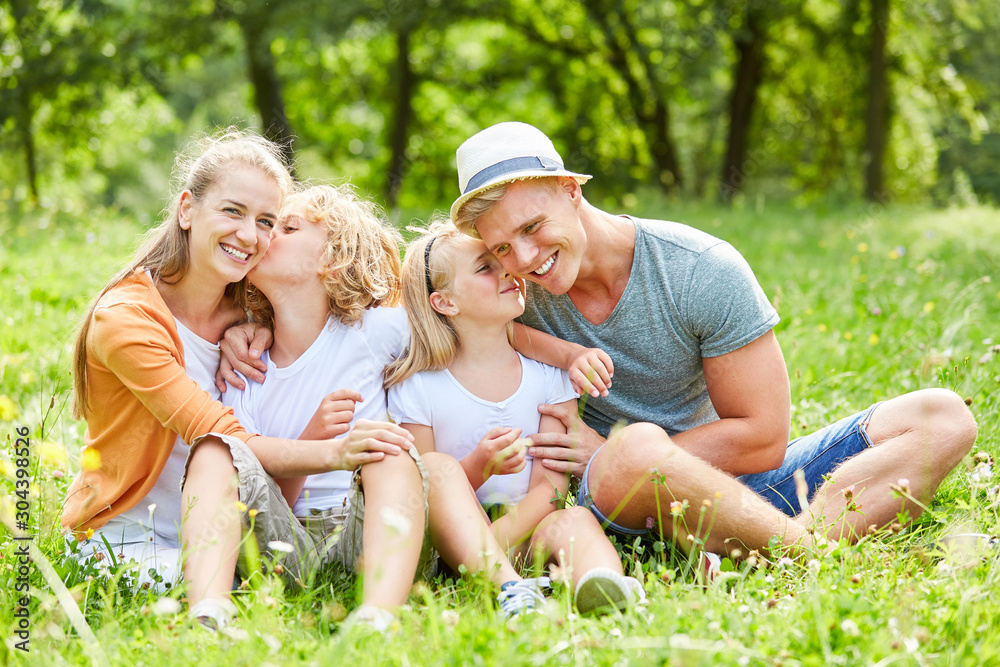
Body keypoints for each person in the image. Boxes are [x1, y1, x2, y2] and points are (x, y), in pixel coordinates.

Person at [449, 121, 978, 554]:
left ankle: (791, 543)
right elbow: (417, 308)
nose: (521, 261)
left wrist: (614, 452)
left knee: (942, 417)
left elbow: (765, 436)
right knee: (632, 453)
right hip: (613, 493)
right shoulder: (509, 299)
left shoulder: (699, 269)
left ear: (570, 190)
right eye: (499, 249)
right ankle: (804, 550)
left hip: (730, 484)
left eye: (532, 228)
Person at [59, 130, 383, 624]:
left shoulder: (251, 309)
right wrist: (334, 454)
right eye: (232, 212)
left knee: (254, 578)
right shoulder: (126, 319)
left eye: (267, 221)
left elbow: (352, 302)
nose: (250, 236)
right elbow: (220, 435)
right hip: (131, 535)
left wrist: (251, 326)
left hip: (229, 528)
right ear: (187, 210)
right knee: (226, 579)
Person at [199, 184, 552, 629]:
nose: (265, 237)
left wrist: (568, 356)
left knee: (388, 448)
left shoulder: (374, 332)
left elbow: (468, 323)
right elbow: (264, 497)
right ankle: (209, 608)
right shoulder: (245, 371)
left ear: (333, 260)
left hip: (377, 534)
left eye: (285, 227)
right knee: (218, 447)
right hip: (285, 546)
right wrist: (313, 439)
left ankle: (378, 616)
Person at [384, 220, 645, 615]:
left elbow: (551, 488)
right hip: (456, 544)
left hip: (528, 531)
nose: (508, 271)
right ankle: (512, 592)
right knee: (435, 467)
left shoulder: (549, 377)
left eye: (501, 260)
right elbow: (425, 494)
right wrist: (479, 467)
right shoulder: (418, 388)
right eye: (484, 267)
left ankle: (604, 585)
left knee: (573, 519)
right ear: (445, 302)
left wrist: (492, 540)